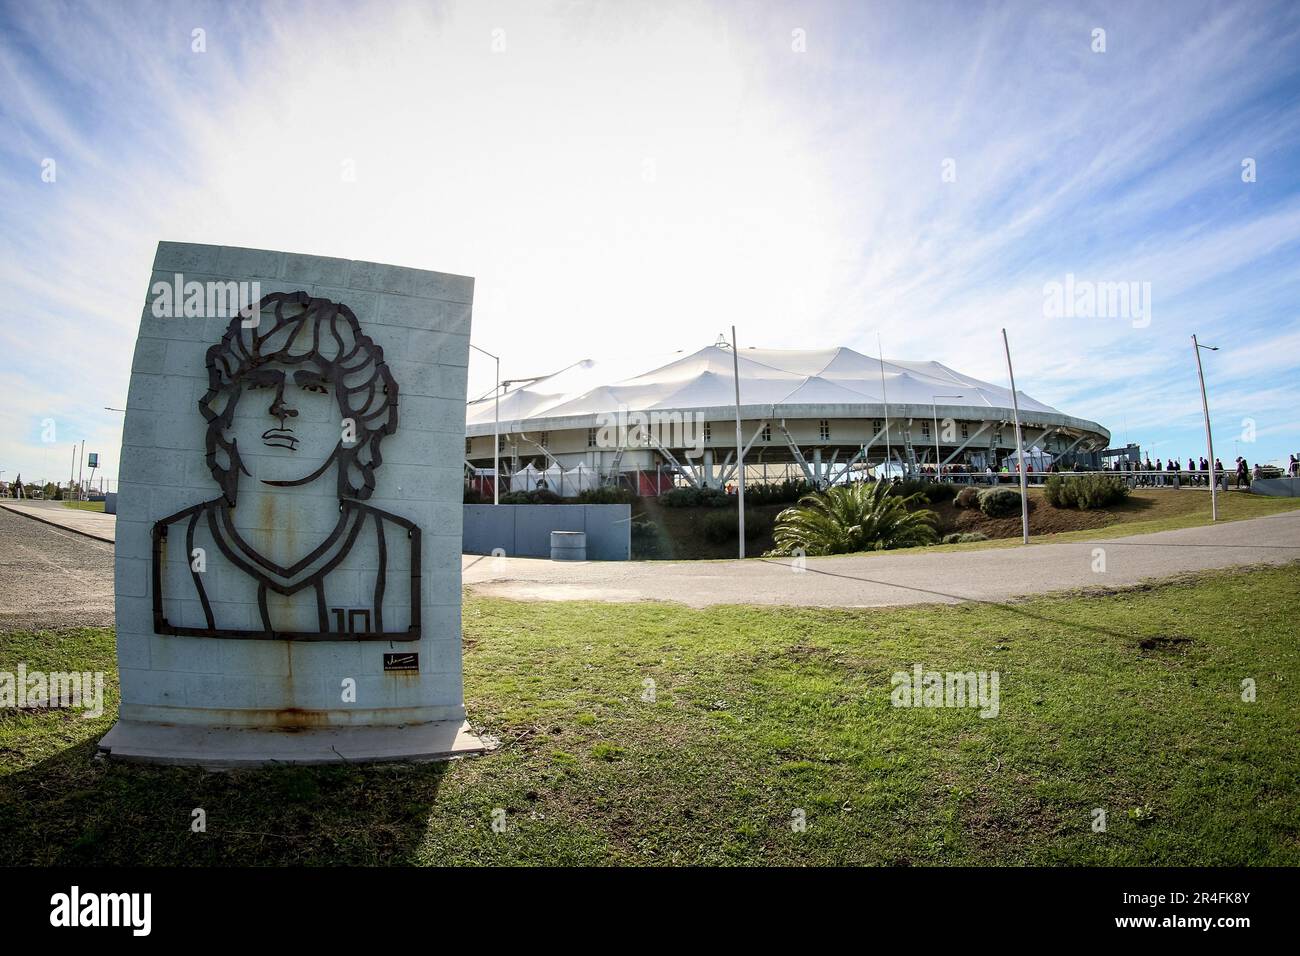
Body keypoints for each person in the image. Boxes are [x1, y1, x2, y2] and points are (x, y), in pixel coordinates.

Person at [152, 291, 419, 640]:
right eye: (262, 384)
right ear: (226, 416)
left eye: (313, 387)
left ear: (352, 422)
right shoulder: (181, 542)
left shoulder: (393, 546)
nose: (282, 406)